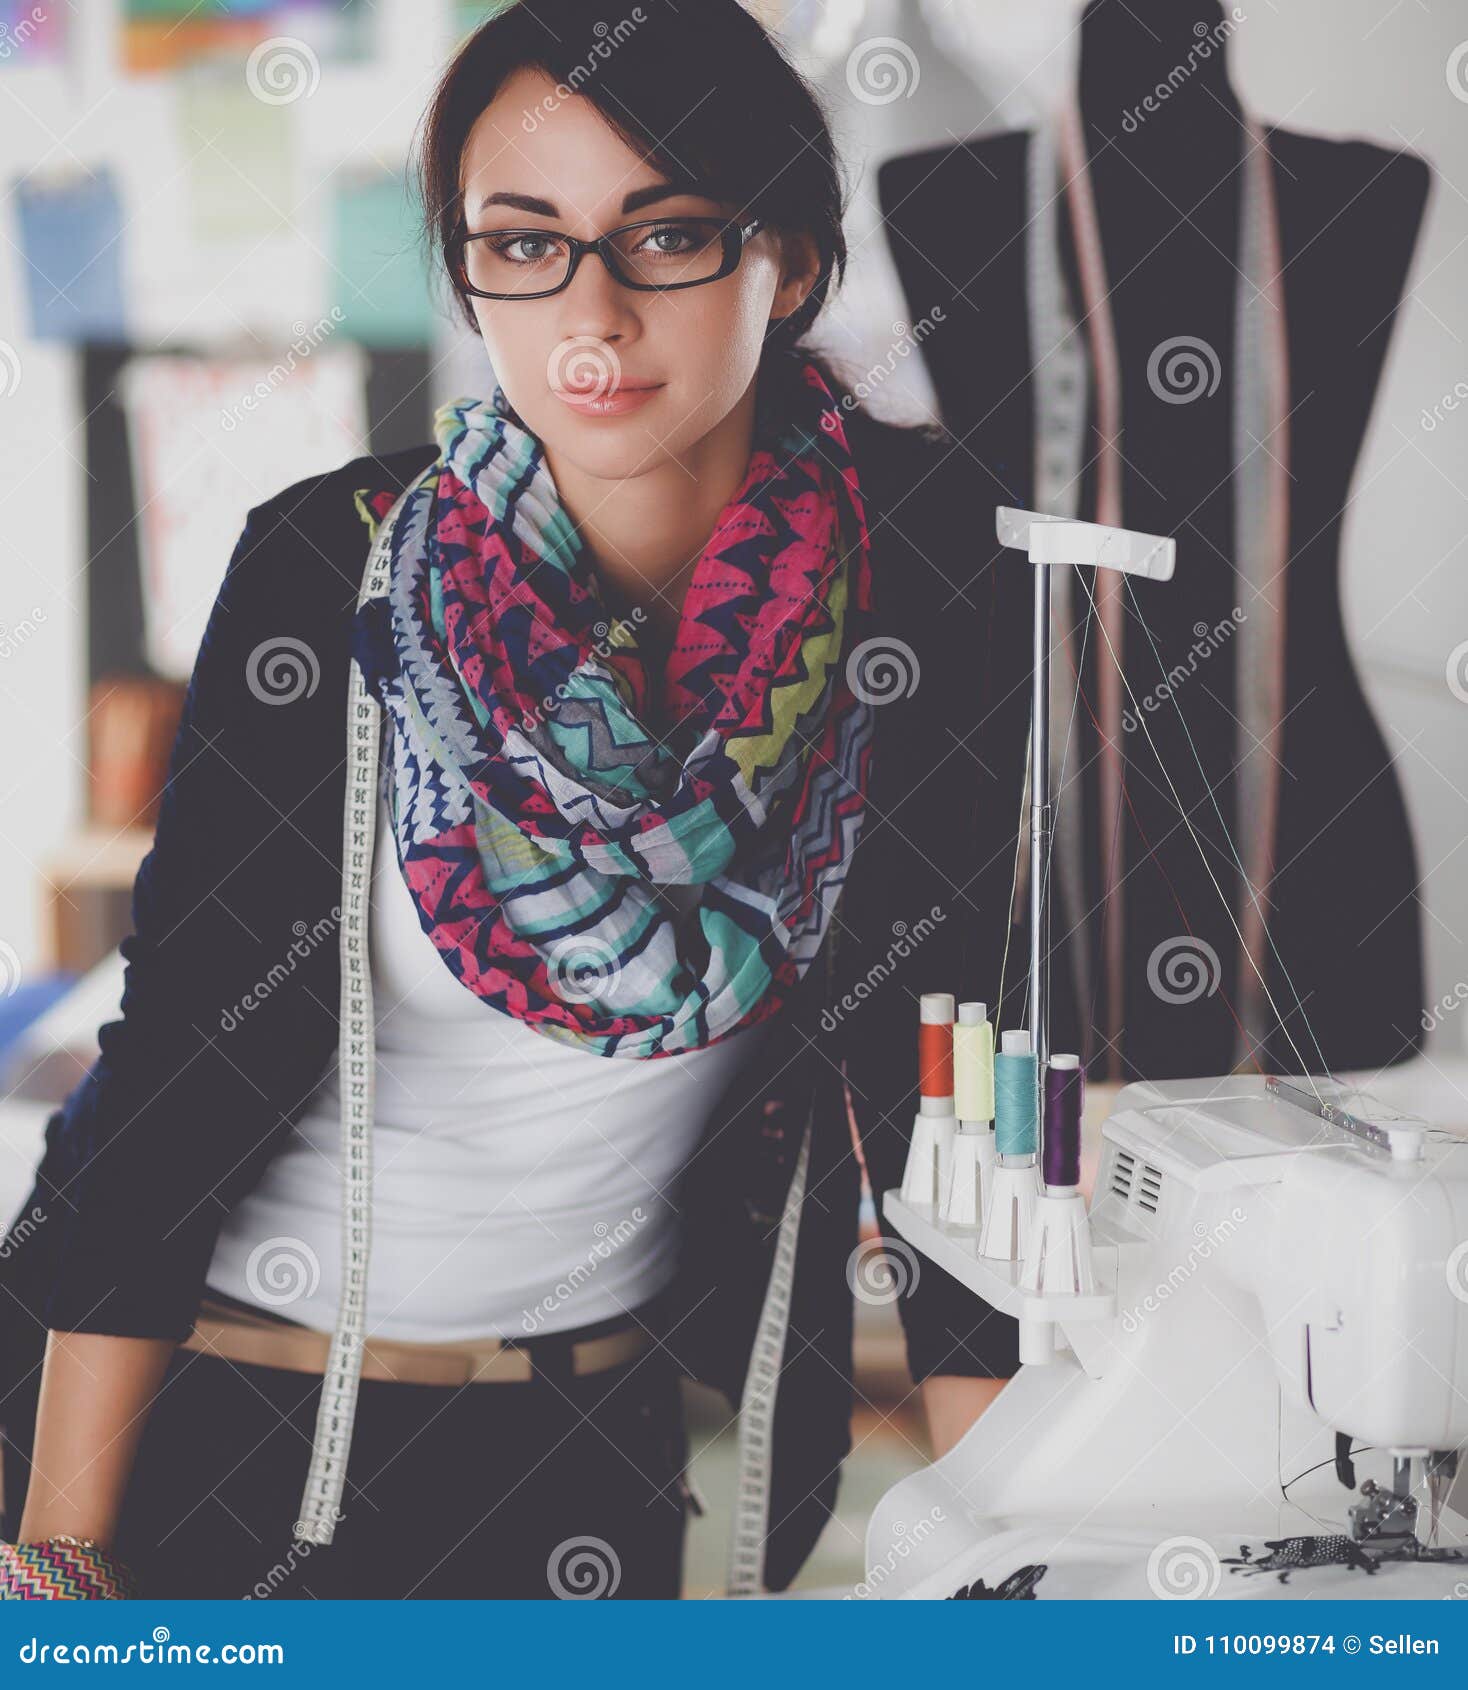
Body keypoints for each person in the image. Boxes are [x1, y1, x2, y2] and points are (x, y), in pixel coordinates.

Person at [0, 0, 1027, 1600]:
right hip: (216, 1431)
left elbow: (940, 1076)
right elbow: (177, 1066)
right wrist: (57, 1553)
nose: (592, 313)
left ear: (794, 263)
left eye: (668, 234)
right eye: (523, 244)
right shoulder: (333, 570)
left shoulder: (918, 572)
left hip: (583, 1456)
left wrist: (1008, 1555)